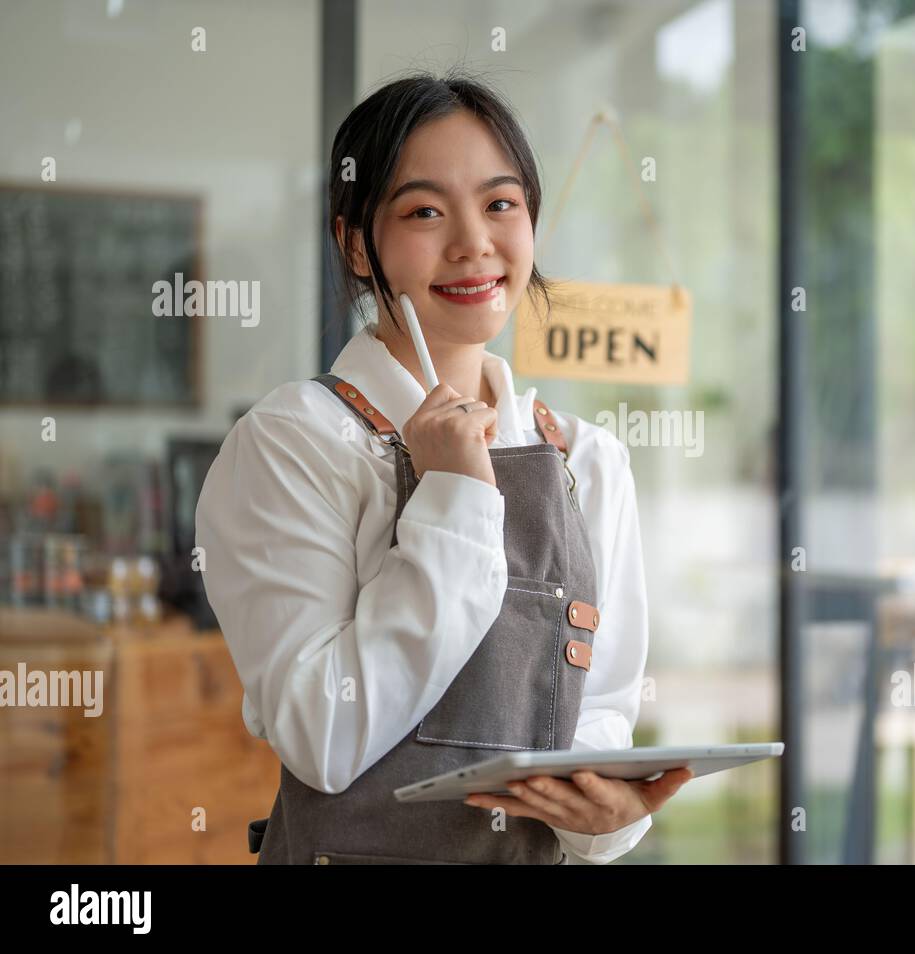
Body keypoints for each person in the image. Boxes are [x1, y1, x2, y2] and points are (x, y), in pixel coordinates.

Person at [195, 67, 692, 865]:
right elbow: (325, 733)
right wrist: (455, 495)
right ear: (357, 243)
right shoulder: (292, 443)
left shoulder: (588, 461)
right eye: (425, 211)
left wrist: (609, 820)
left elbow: (595, 719)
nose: (473, 243)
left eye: (501, 204)